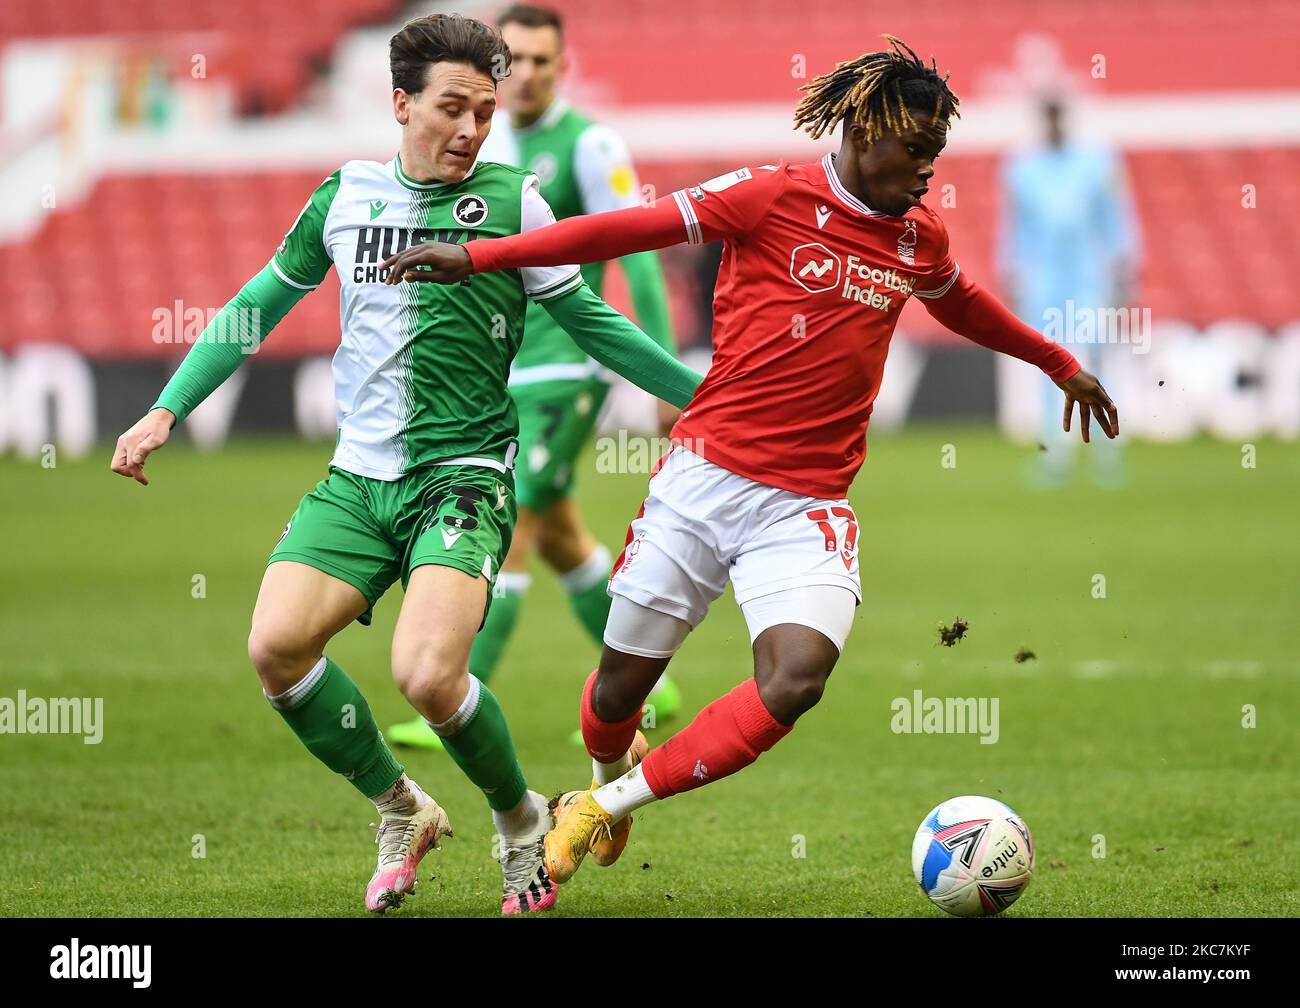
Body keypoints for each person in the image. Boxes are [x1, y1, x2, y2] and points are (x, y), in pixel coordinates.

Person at [378, 37, 1118, 891]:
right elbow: (623, 229)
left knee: (796, 679)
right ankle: (604, 767)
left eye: (935, 156)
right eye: (913, 152)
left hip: (807, 504)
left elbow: (966, 305)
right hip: (704, 481)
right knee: (617, 694)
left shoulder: (917, 237)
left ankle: (604, 806)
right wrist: (480, 253)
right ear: (858, 131)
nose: (924, 173)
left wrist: (1058, 362)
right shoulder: (769, 196)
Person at [109, 13, 699, 916]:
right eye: (452, 108)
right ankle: (400, 807)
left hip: (462, 478)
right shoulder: (344, 197)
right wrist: (164, 410)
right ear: (399, 103)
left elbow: (593, 320)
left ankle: (519, 822)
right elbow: (254, 304)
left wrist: (698, 397)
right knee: (275, 649)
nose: (470, 129)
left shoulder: (514, 201)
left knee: (426, 676)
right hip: (358, 479)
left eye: (485, 111)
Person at [387, 3, 682, 753]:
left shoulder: (590, 145)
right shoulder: (485, 143)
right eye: (510, 59)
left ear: (562, 66)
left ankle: (447, 694)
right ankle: (653, 682)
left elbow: (639, 254)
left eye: (540, 61)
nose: (523, 74)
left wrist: (657, 374)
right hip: (513, 370)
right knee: (559, 534)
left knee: (515, 522)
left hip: (574, 369)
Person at [999, 97, 1140, 486]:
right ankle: (1054, 452)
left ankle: (1107, 449)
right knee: (1049, 360)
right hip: (1044, 276)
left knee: (1098, 357)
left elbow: (1116, 215)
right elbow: (1015, 225)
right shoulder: (1022, 167)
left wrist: (1125, 263)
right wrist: (1010, 270)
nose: (1055, 123)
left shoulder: (1098, 161)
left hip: (1089, 273)